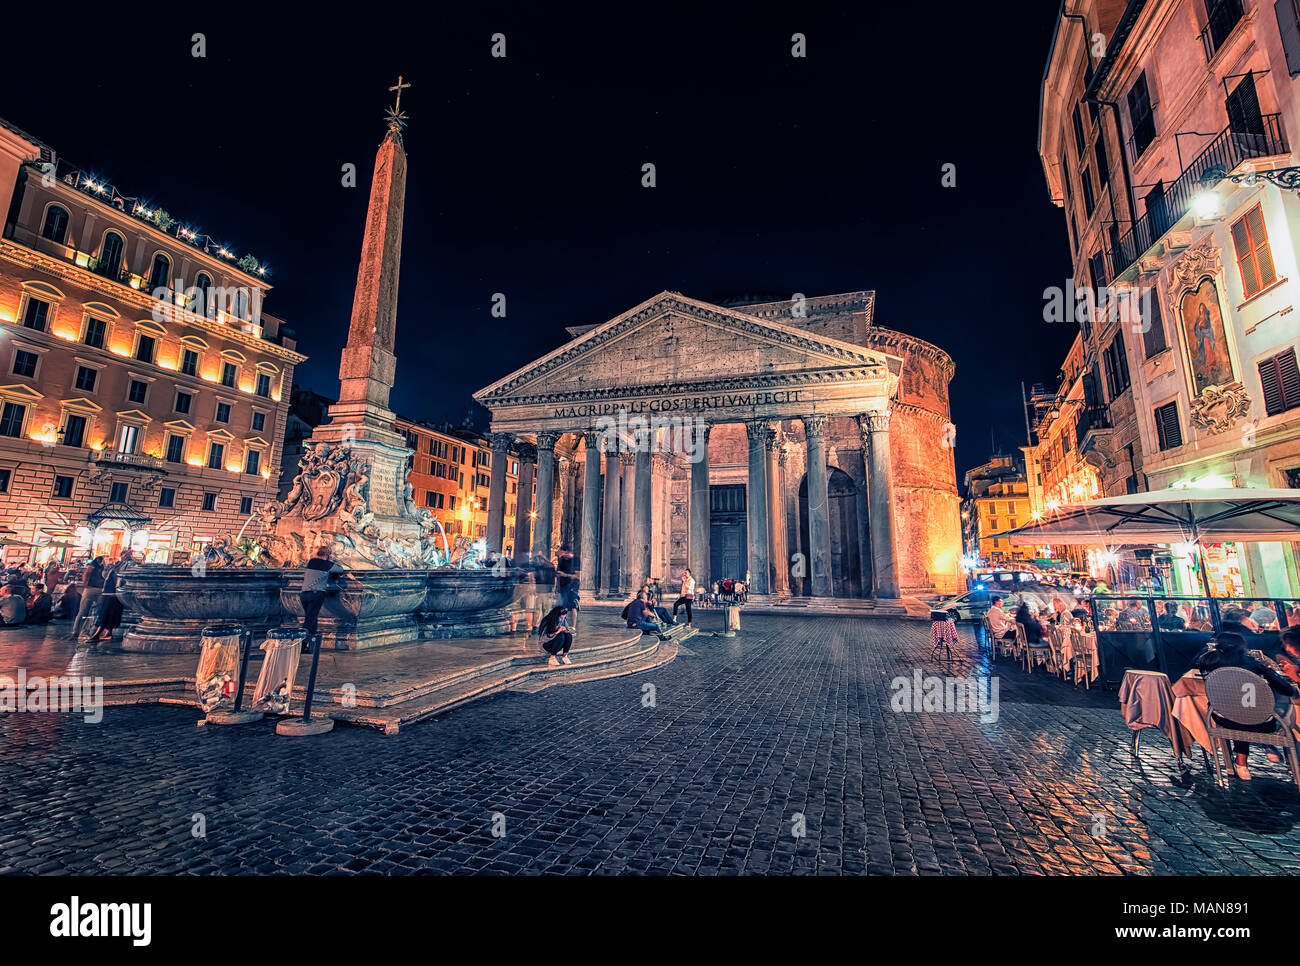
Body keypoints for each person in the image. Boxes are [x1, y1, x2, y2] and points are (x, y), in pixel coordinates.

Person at [1196, 631, 1299, 781]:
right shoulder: (1252, 664)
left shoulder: (1208, 663)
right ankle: (1271, 753)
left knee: (1238, 709)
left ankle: (1240, 763)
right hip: (1261, 723)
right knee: (1251, 708)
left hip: (1222, 718)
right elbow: (1288, 690)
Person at [85, 552, 133, 645]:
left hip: (114, 593)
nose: (125, 557)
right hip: (110, 592)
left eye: (127, 555)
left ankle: (98, 634)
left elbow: (118, 578)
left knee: (107, 613)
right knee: (106, 612)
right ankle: (105, 632)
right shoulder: (118, 565)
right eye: (124, 555)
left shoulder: (125, 566)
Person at [300, 546, 345, 644]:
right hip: (315, 594)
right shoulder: (326, 564)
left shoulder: (311, 561)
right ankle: (303, 643)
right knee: (310, 620)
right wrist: (332, 561)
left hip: (304, 594)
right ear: (327, 555)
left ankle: (310, 642)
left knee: (310, 618)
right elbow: (340, 569)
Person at [69, 556, 106, 641]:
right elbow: (86, 574)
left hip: (95, 589)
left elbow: (87, 574)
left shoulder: (98, 567)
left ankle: (83, 632)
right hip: (94, 589)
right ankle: (80, 631)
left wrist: (85, 584)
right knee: (87, 611)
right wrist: (86, 584)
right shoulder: (95, 566)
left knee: (89, 612)